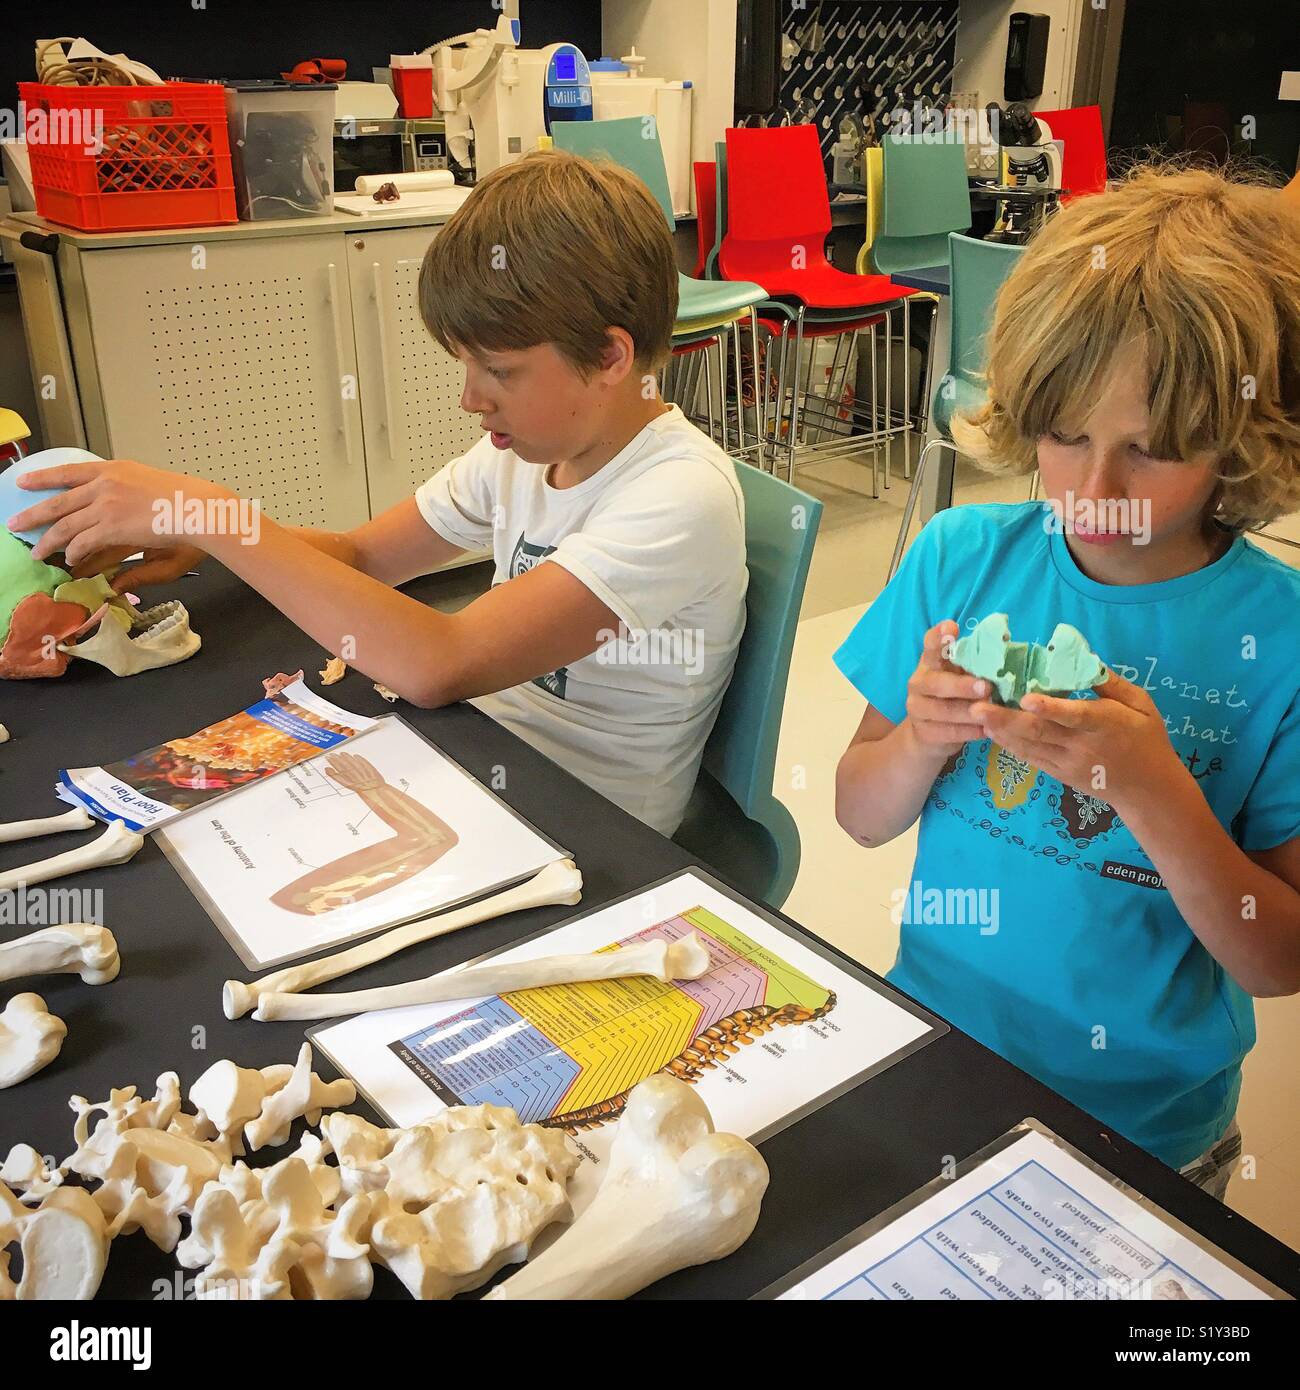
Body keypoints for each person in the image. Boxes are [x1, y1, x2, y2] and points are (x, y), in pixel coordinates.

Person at [9, 151, 748, 836]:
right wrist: (204, 535)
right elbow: (362, 555)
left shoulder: (681, 495)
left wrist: (219, 516)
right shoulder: (525, 455)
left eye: (499, 370)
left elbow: (442, 662)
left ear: (610, 357)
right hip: (488, 762)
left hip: (591, 824)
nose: (470, 398)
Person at [834, 166, 1300, 1199]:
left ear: (1241, 438)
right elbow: (858, 814)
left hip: (1144, 1125)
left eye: (1151, 450)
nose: (1094, 493)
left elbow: (1277, 958)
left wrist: (1151, 788)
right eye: (1064, 436)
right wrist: (916, 736)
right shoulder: (960, 555)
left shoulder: (1282, 638)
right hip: (933, 1051)